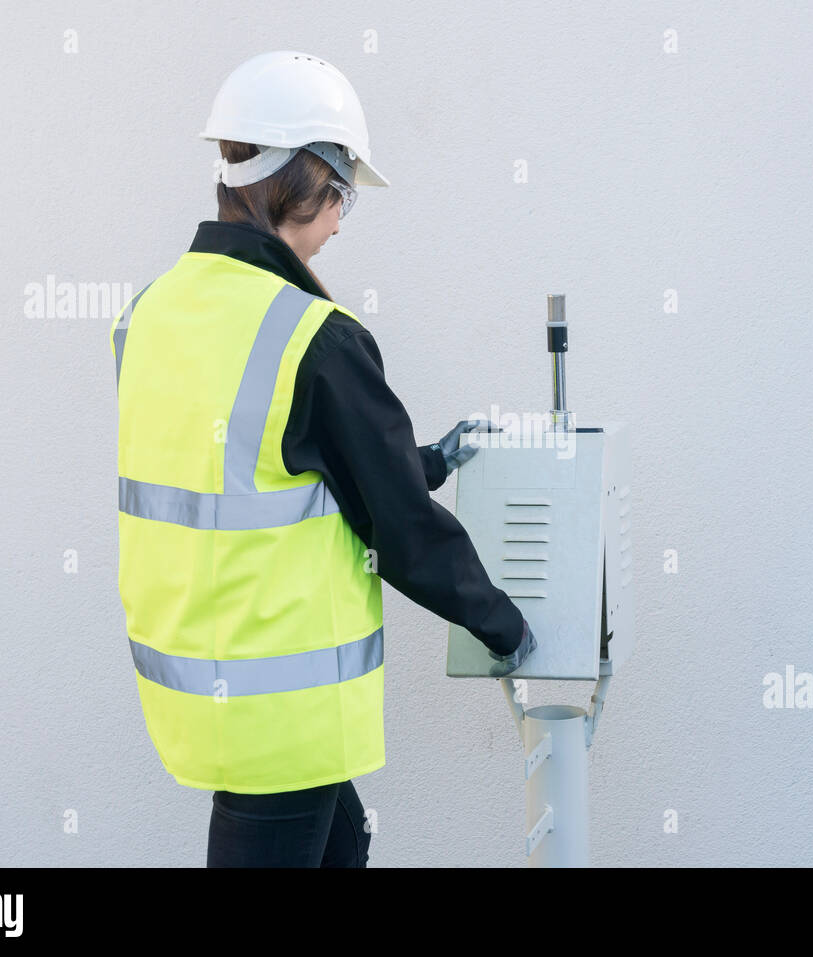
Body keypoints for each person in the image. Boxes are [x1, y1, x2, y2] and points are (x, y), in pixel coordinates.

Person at [109, 51, 538, 868]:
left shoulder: (150, 313)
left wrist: (424, 460)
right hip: (282, 709)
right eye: (340, 195)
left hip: (199, 683)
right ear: (298, 182)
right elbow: (400, 530)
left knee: (344, 847)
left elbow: (254, 462)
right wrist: (510, 627)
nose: (340, 222)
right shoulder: (314, 336)